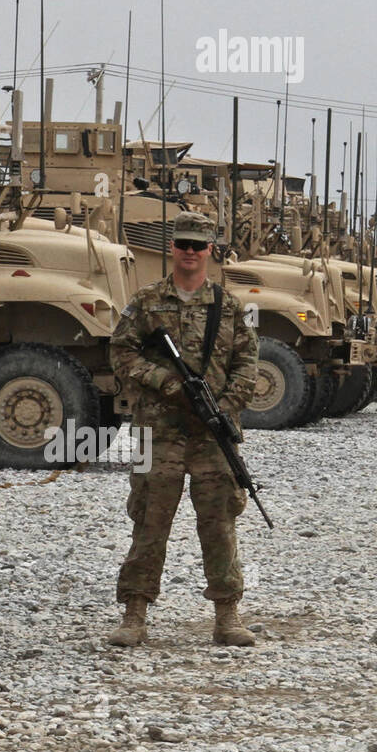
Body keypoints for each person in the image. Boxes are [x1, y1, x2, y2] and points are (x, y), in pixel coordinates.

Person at [107, 210, 260, 646]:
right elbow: (121, 352)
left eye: (199, 245)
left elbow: (248, 366)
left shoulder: (229, 308)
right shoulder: (147, 301)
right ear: (172, 248)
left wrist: (224, 409)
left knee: (219, 522)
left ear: (211, 250)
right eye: (184, 244)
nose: (190, 252)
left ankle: (227, 616)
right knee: (150, 521)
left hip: (213, 434)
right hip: (160, 430)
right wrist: (166, 382)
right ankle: (134, 614)